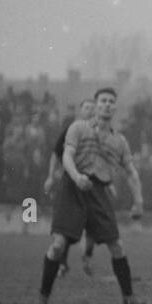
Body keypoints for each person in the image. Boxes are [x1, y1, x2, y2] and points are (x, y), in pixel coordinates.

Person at [36, 87, 146, 304]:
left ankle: (129, 297)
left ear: (115, 107)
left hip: (98, 192)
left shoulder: (120, 141)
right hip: (73, 188)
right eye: (102, 101)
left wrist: (139, 201)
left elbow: (131, 173)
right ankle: (43, 296)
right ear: (95, 105)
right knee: (58, 246)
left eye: (110, 102)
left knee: (117, 246)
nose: (106, 105)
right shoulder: (78, 128)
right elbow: (66, 156)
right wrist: (76, 177)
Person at [44, 97, 95, 276]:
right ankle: (63, 264)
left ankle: (87, 257)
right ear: (81, 111)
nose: (89, 111)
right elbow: (56, 153)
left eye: (92, 108)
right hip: (72, 184)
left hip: (92, 184)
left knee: (92, 225)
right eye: (86, 107)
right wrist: (51, 177)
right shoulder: (71, 129)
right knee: (66, 226)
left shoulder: (99, 132)